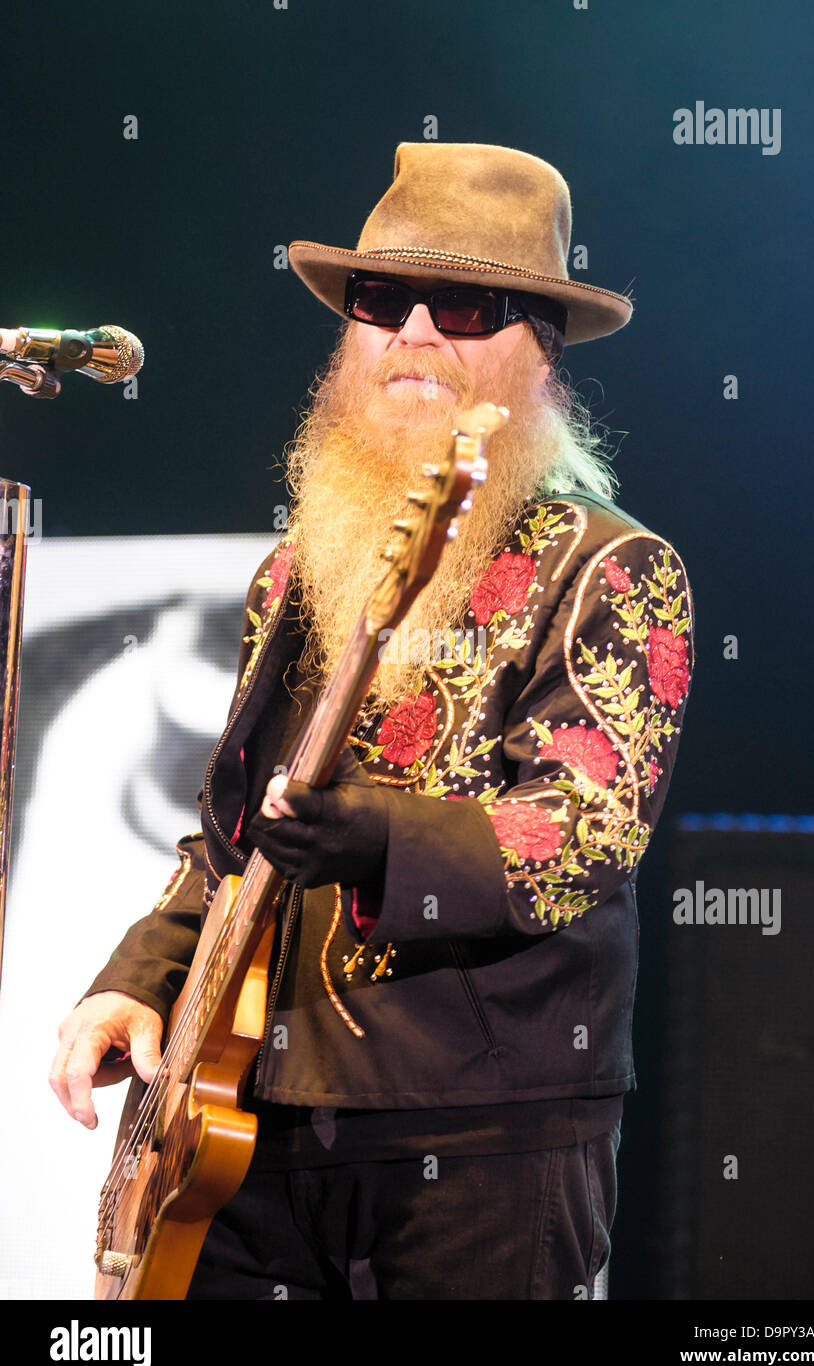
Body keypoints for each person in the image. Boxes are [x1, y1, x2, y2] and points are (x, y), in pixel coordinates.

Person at [49, 141, 694, 1300]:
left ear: (537, 350)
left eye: (461, 304)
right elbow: (235, 831)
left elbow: (585, 832)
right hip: (242, 1116)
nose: (414, 332)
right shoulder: (298, 569)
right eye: (381, 299)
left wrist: (377, 840)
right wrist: (136, 977)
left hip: (477, 1136)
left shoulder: (615, 569)